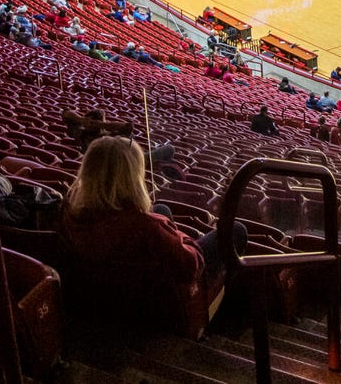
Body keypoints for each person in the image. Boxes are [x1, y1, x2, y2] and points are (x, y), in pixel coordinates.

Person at [57, 137, 245, 335]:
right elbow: (192, 265)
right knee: (236, 231)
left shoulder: (67, 213)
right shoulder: (147, 227)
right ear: (133, 177)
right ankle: (218, 322)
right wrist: (181, 237)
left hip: (104, 296)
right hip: (156, 310)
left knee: (161, 208)